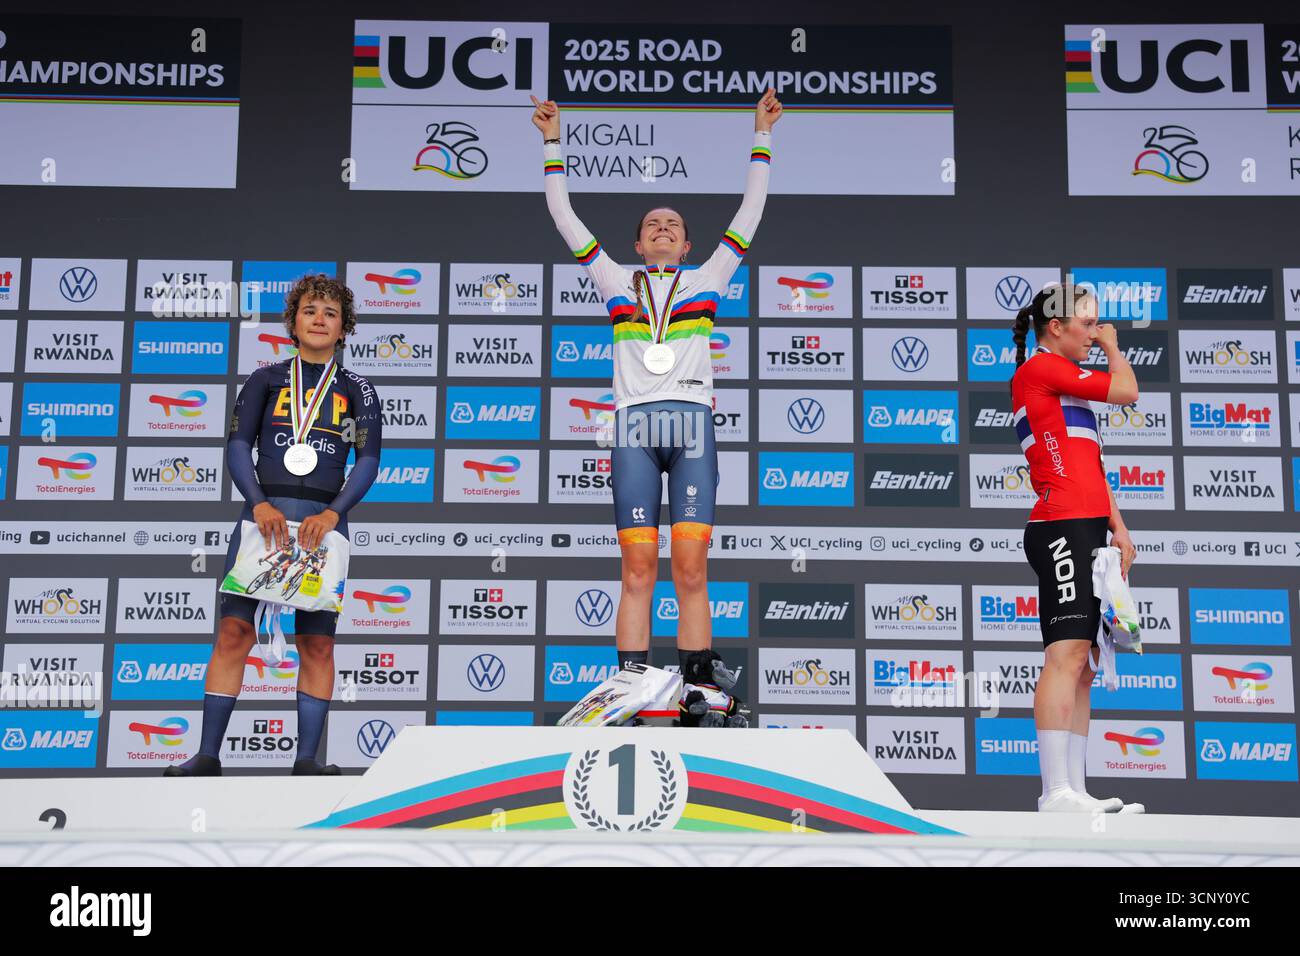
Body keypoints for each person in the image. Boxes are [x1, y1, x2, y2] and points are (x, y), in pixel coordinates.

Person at [533, 89, 782, 722]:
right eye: (652, 226)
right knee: (639, 563)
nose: (663, 229)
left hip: (692, 425)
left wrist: (762, 135)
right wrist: (553, 143)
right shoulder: (614, 279)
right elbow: (564, 216)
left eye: (673, 224)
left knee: (691, 563)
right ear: (639, 247)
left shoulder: (709, 278)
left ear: (688, 245)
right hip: (635, 427)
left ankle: (699, 688)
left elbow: (750, 212)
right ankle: (635, 689)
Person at [166, 275, 383, 776]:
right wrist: (259, 504)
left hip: (323, 526)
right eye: (310, 310)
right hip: (260, 521)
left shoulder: (359, 390)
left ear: (344, 327)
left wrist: (333, 514)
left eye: (330, 313)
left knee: (318, 641)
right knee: (233, 632)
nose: (319, 319)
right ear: (293, 322)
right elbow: (239, 447)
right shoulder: (265, 379)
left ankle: (306, 761)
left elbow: (368, 461)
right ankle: (207, 756)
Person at [1010, 283, 1143, 813]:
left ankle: (1076, 791)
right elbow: (1129, 391)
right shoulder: (1039, 371)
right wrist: (1114, 347)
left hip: (1088, 527)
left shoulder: (1071, 393)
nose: (1095, 332)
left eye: (1098, 327)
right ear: (1055, 327)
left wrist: (1120, 527)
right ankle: (1054, 793)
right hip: (1060, 525)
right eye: (1087, 324)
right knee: (1064, 656)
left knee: (1085, 662)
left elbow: (1093, 469)